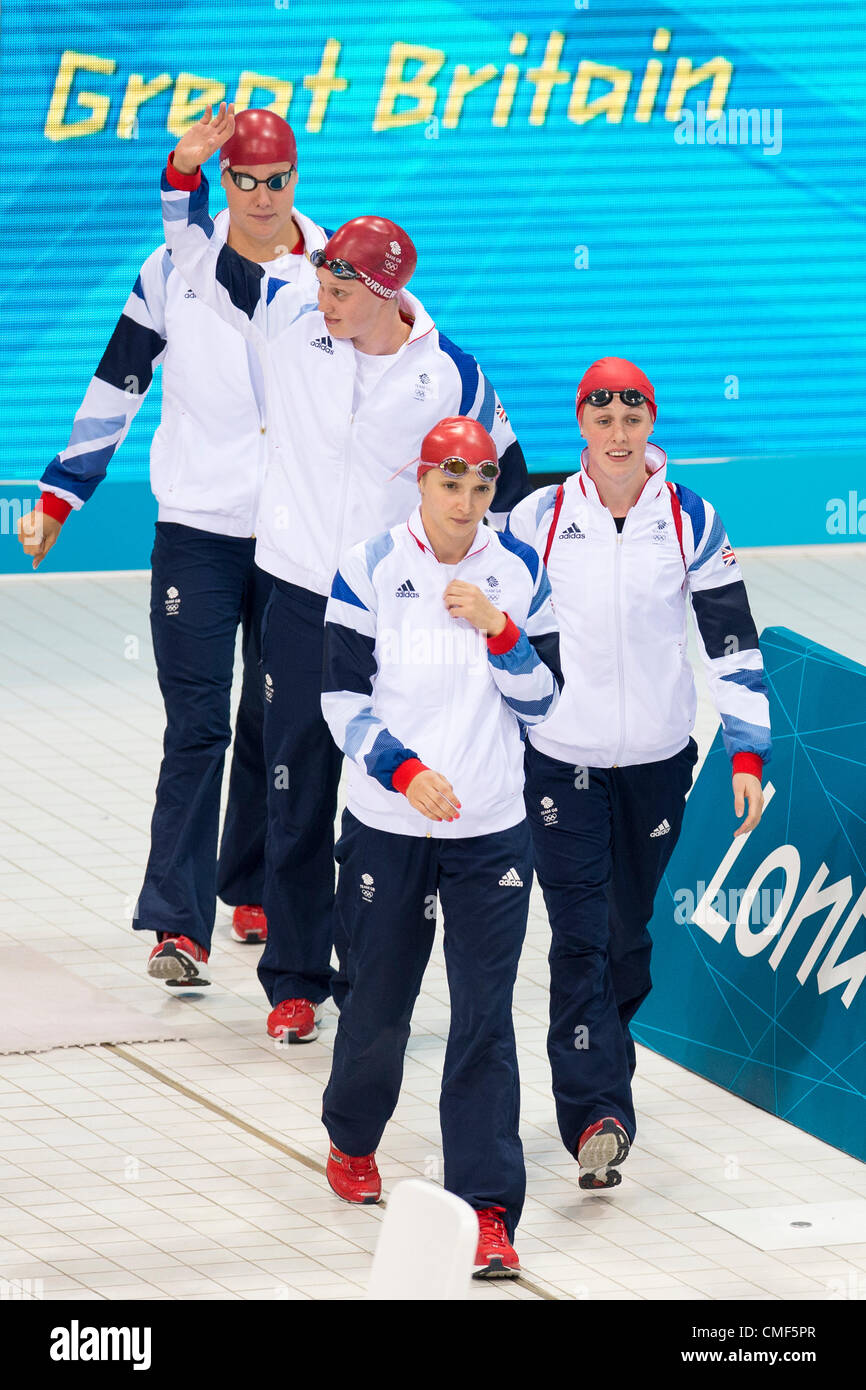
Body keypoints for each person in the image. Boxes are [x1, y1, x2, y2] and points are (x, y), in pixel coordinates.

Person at [160, 104, 532, 1044]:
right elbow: (204, 272)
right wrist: (183, 180)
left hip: (390, 610)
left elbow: (511, 479)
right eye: (321, 277)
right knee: (294, 783)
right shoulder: (289, 321)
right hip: (293, 592)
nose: (321, 292)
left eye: (340, 285)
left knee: (378, 800)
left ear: (386, 293)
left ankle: (370, 979)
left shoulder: (447, 373)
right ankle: (293, 978)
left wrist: (516, 588)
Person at [17, 110, 328, 985]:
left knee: (283, 724)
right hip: (197, 528)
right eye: (244, 180)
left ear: (297, 177)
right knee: (198, 725)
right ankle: (177, 925)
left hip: (298, 539)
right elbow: (121, 376)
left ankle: (256, 881)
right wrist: (59, 491)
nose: (262, 197)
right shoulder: (173, 267)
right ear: (222, 181)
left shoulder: (335, 269)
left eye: (278, 179)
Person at [505, 357, 771, 1190]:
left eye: (632, 420)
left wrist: (748, 752)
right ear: (581, 426)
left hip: (659, 763)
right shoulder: (536, 517)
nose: (618, 437)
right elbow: (497, 641)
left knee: (629, 939)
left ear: (649, 424)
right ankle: (597, 1113)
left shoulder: (691, 519)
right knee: (580, 935)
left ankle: (602, 1077)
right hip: (562, 762)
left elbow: (730, 640)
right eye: (602, 420)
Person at [320, 416, 561, 1277]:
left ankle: (486, 1210)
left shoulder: (519, 570)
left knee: (485, 1018)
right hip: (390, 826)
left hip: (490, 827)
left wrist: (501, 630)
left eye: (482, 487)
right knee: (381, 1005)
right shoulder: (370, 567)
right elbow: (341, 702)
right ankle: (351, 1137)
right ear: (420, 481)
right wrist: (403, 769)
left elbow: (545, 706)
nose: (466, 503)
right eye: (450, 484)